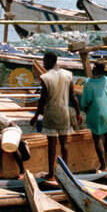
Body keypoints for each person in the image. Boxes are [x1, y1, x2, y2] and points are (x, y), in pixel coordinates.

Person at [33, 50, 81, 180]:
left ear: (49, 61)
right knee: (64, 144)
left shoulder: (46, 78)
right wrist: (77, 113)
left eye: (44, 61)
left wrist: (36, 116)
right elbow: (73, 96)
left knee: (52, 145)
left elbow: (43, 100)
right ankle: (66, 172)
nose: (43, 64)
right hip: (64, 113)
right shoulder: (68, 75)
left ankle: (51, 173)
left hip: (50, 114)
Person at [79, 61, 107, 170]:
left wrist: (87, 111)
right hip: (106, 113)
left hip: (94, 113)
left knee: (97, 138)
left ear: (94, 70)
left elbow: (85, 103)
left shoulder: (88, 83)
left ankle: (103, 165)